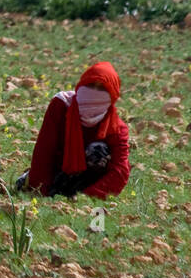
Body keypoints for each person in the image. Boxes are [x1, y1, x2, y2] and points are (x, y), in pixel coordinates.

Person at [18, 61, 129, 199]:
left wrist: (86, 197)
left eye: (101, 89)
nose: (94, 92)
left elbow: (120, 171)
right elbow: (45, 150)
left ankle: (72, 192)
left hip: (88, 182)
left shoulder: (116, 127)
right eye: (90, 85)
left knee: (99, 150)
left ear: (112, 94)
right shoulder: (62, 105)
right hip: (59, 171)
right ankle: (35, 181)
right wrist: (40, 190)